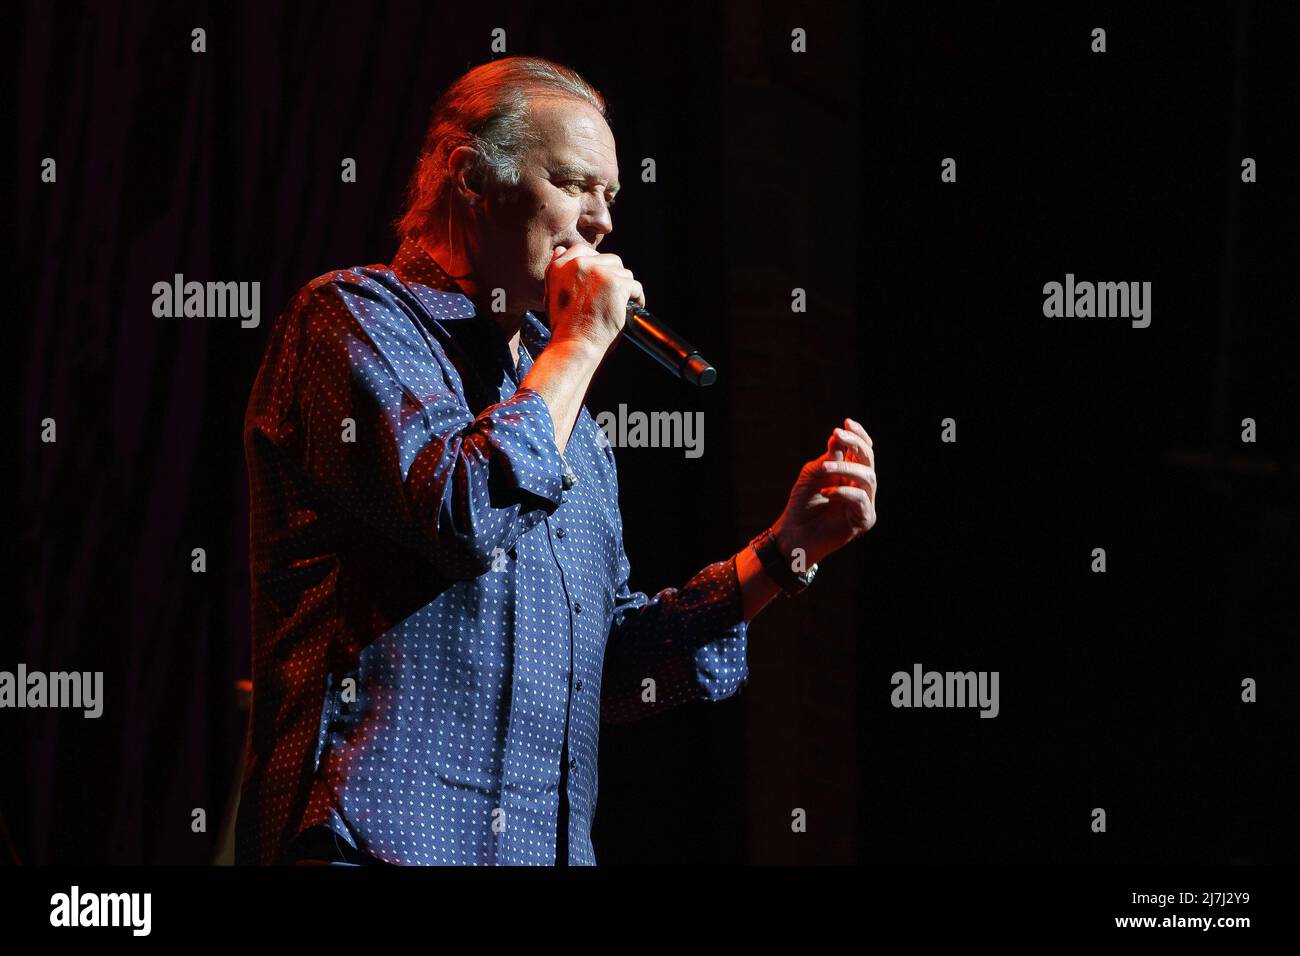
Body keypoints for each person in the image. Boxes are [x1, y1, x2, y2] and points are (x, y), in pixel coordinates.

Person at [235, 56, 877, 866]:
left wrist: (785, 553)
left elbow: (606, 665)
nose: (602, 222)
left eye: (611, 195)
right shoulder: (353, 321)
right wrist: (576, 347)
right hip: (373, 843)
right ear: (470, 177)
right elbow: (460, 511)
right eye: (575, 184)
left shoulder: (557, 407)